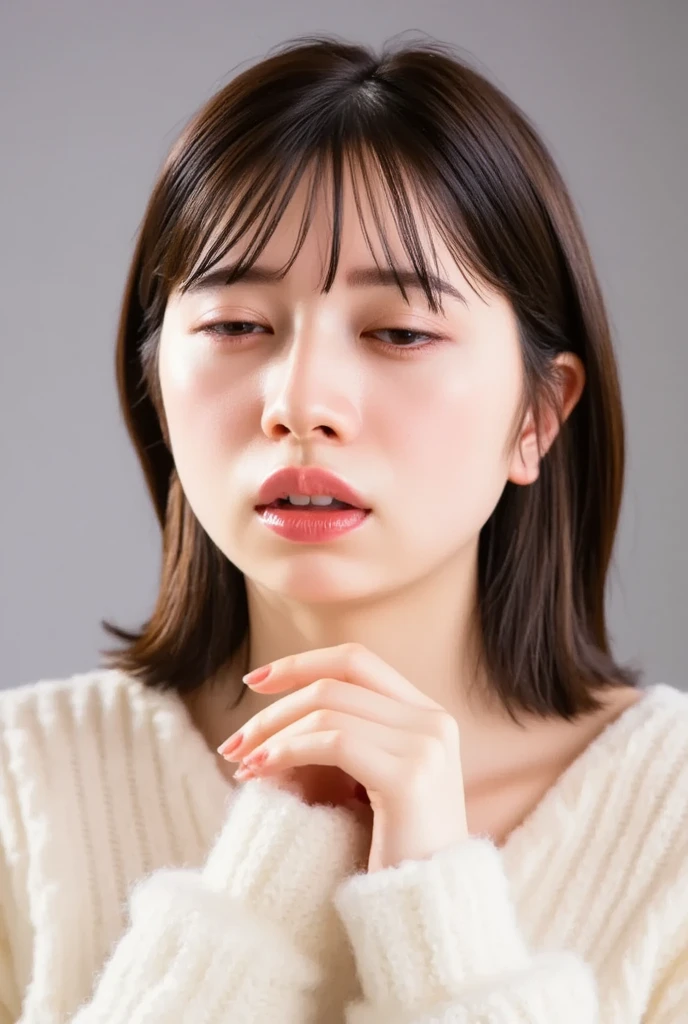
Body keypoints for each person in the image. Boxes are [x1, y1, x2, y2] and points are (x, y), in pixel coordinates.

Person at [1, 34, 686, 1024]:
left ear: (537, 413)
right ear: (155, 384)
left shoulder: (666, 820)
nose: (299, 401)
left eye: (398, 332)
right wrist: (268, 873)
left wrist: (436, 917)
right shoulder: (27, 787)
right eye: (237, 325)